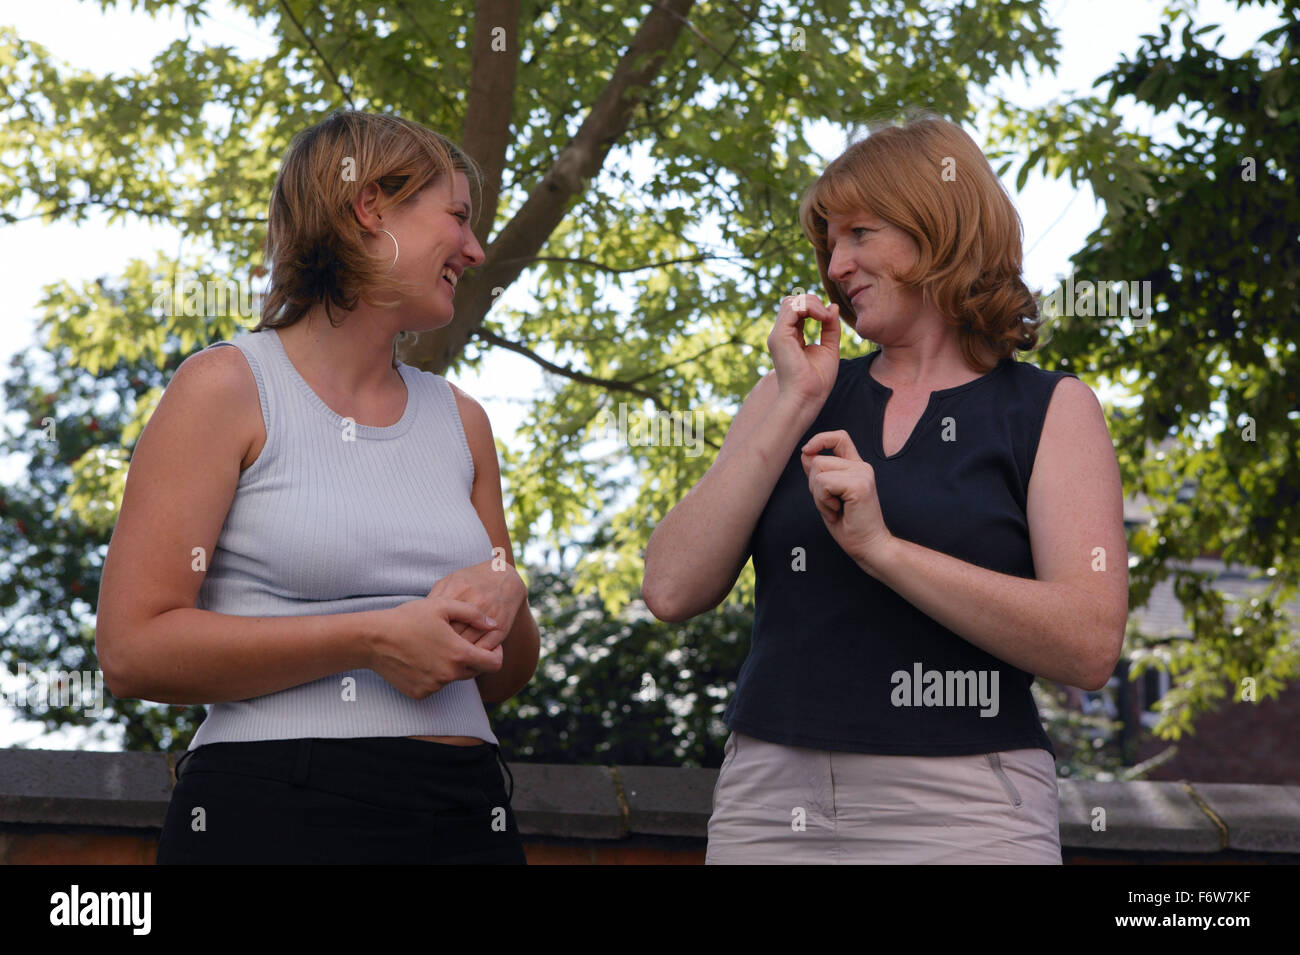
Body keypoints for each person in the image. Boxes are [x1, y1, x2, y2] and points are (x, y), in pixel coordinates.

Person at [642, 111, 1128, 864]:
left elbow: (1089, 643)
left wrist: (884, 550)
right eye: (829, 242)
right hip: (771, 804)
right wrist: (794, 402)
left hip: (966, 810)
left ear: (940, 230)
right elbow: (670, 587)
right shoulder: (791, 393)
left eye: (860, 234)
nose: (835, 265)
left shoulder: (1049, 409)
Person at [96, 109, 540, 864]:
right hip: (279, 810)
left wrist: (509, 596)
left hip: (468, 810)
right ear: (370, 206)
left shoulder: (461, 419)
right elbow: (132, 648)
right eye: (458, 218)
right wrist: (368, 640)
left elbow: (510, 673)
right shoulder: (228, 387)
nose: (475, 248)